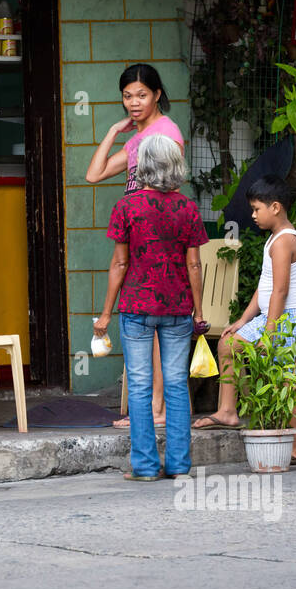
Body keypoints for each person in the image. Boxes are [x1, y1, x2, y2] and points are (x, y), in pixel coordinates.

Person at [95, 135, 207, 481]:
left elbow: (119, 264)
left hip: (136, 306)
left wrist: (105, 313)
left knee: (141, 387)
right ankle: (178, 466)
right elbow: (194, 265)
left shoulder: (126, 207)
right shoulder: (187, 208)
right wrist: (199, 311)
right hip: (177, 308)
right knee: (175, 385)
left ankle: (144, 467)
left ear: (141, 165)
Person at [86, 64, 186, 430]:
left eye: (142, 95)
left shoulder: (167, 133)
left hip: (156, 234)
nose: (134, 102)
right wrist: (114, 130)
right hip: (137, 228)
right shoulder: (135, 137)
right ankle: (150, 410)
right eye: (128, 96)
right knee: (144, 320)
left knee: (156, 324)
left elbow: (170, 187)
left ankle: (157, 409)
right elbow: (94, 174)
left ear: (158, 94)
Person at [191, 176, 296, 465]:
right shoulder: (275, 237)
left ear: (275, 207)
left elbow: (281, 290)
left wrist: (270, 331)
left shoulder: (285, 240)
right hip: (271, 315)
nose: (252, 215)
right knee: (228, 344)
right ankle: (227, 411)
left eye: (256, 209)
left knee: (287, 381)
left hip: (287, 319)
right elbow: (265, 284)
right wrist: (243, 320)